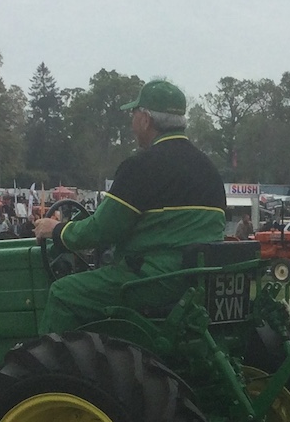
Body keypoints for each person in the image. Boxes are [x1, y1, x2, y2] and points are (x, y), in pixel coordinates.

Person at [32, 79, 225, 334]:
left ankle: (46, 371)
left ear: (145, 119)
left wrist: (56, 230)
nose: (132, 124)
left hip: (153, 282)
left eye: (133, 115)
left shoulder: (141, 166)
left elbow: (102, 230)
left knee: (62, 293)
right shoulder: (209, 170)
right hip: (196, 280)